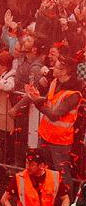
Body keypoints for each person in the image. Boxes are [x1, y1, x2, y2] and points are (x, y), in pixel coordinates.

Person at [25, 57, 79, 189]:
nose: (53, 67)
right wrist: (37, 98)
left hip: (60, 142)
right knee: (44, 172)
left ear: (65, 71)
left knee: (63, 176)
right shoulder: (55, 82)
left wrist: (37, 101)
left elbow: (54, 115)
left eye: (57, 66)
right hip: (45, 135)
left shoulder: (74, 95)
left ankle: (67, 204)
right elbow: (48, 104)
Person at [0, 149, 68, 206]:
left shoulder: (54, 176)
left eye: (31, 165)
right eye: (26, 163)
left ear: (41, 166)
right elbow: (4, 199)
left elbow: (65, 198)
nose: (27, 167)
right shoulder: (19, 178)